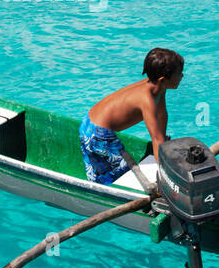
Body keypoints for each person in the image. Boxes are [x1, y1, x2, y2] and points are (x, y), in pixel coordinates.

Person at [79, 47, 184, 185]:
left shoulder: (158, 87)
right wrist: (165, 177)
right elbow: (156, 139)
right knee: (120, 178)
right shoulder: (147, 99)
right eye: (179, 73)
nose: (182, 76)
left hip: (93, 123)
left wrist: (163, 142)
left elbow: (162, 114)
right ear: (163, 79)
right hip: (97, 133)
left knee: (114, 171)